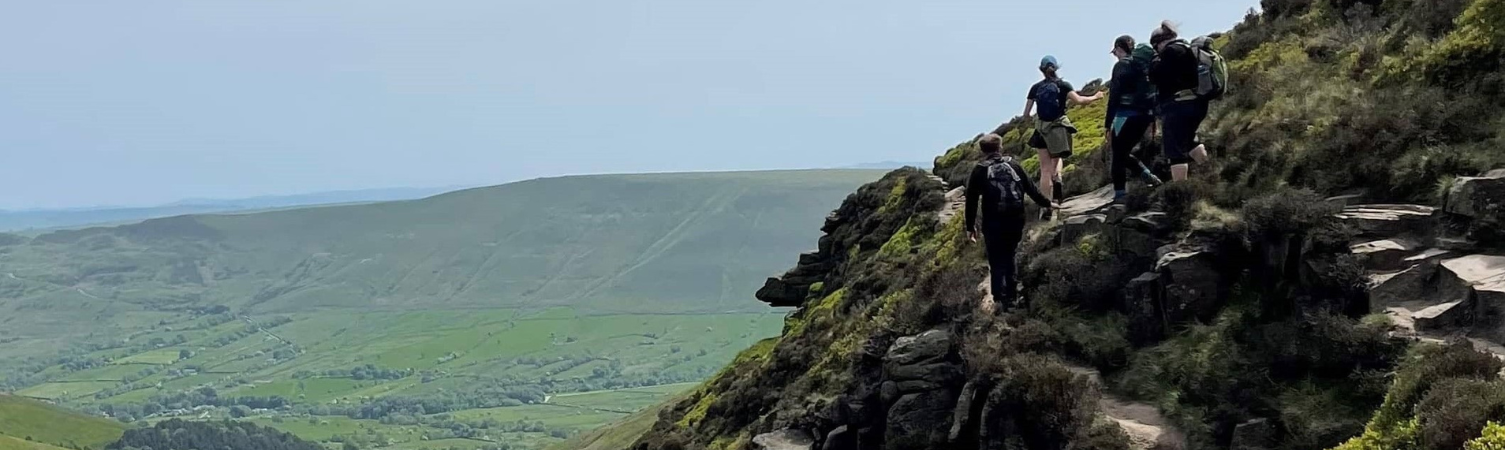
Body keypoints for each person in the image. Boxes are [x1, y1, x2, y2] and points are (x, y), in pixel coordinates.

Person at [966, 134, 1053, 310]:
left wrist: (970, 227)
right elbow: (1031, 188)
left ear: (982, 151)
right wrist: (1048, 204)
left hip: (993, 222)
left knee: (996, 259)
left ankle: (999, 298)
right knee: (1010, 254)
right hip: (1016, 219)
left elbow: (971, 201)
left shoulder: (980, 170)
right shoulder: (1014, 165)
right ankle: (1011, 297)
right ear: (1001, 147)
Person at [1025, 55, 1104, 220]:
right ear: (1056, 67)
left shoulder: (1035, 88)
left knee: (1044, 169)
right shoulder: (1063, 85)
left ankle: (1046, 206)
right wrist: (1096, 97)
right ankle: (1058, 176)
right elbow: (1080, 101)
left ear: (1041, 69)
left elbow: (1026, 114)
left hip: (1041, 131)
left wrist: (1035, 121)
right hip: (1058, 128)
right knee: (1058, 157)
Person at [1148, 21, 1211, 182]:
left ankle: (1180, 192)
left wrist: (1154, 60)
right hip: (1197, 103)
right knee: (1190, 141)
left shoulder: (1170, 52)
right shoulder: (1187, 49)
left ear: (1159, 43)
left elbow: (1155, 76)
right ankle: (1209, 174)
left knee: (1175, 151)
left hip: (1177, 105)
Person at [1106, 35, 1164, 202]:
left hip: (1125, 117)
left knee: (1117, 155)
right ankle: (1147, 176)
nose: (1115, 55)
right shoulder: (1145, 66)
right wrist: (1153, 119)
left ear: (1119, 48)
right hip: (1145, 116)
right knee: (1123, 153)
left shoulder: (1121, 66)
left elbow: (1114, 96)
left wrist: (1108, 123)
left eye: (1115, 51)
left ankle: (1120, 194)